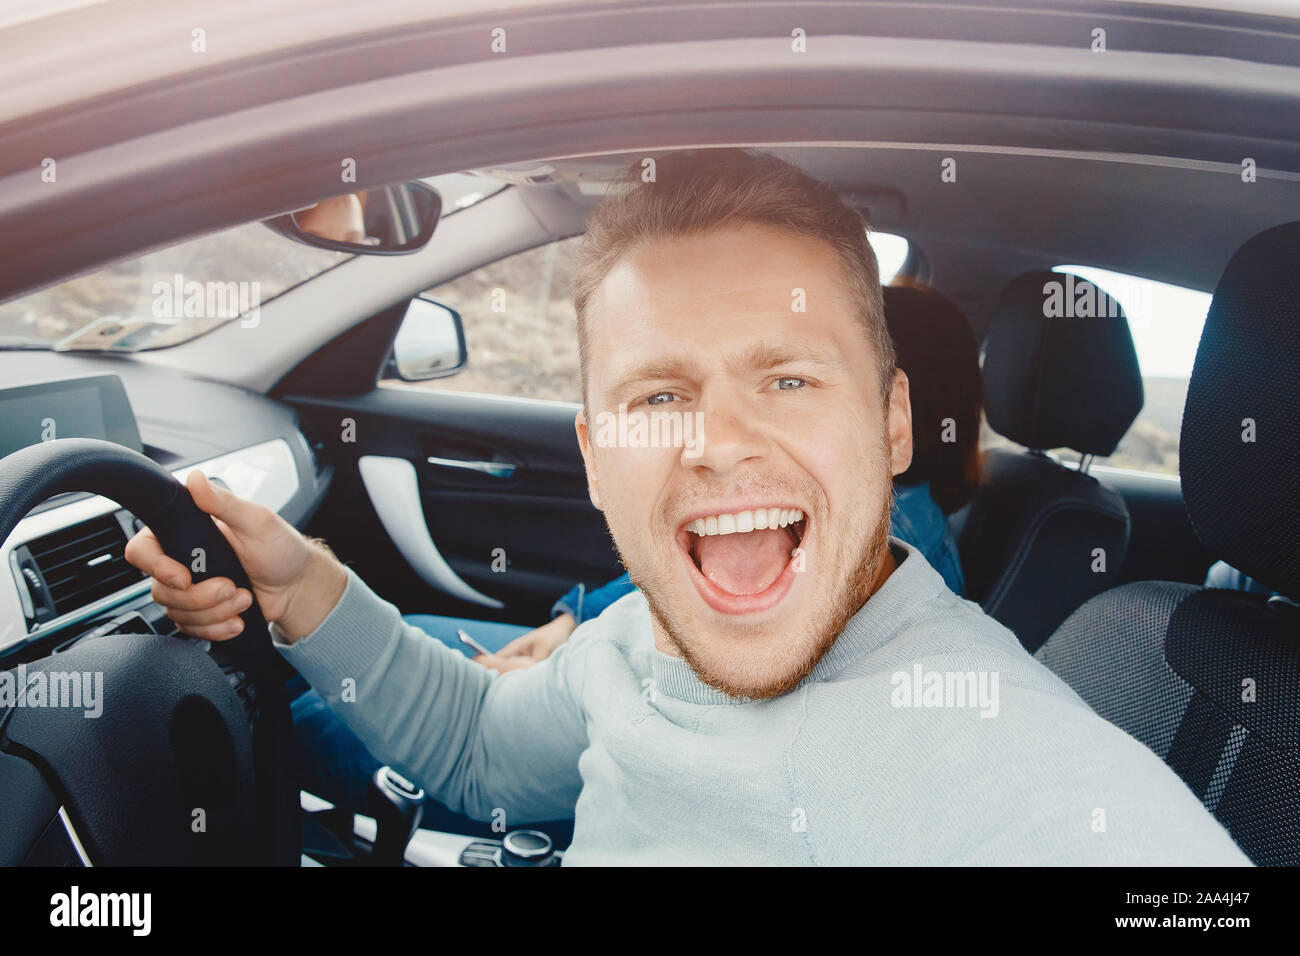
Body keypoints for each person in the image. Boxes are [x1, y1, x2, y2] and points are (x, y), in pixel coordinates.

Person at [126, 148, 1248, 864]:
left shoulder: (1008, 768)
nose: (714, 443)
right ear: (597, 450)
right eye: (659, 394)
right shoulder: (644, 631)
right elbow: (473, 745)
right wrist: (304, 584)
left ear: (893, 423)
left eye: (788, 379)